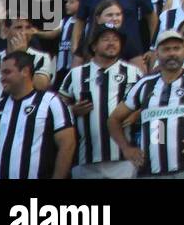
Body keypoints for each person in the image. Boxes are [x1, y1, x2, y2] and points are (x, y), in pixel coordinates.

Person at [108, 30, 184, 179]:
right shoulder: (144, 84)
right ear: (157, 54)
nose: (172, 53)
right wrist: (126, 148)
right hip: (148, 172)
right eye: (166, 49)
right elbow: (113, 119)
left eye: (176, 48)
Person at [58, 24, 144, 179]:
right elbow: (58, 109)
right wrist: (73, 110)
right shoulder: (75, 74)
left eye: (115, 39)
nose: (111, 43)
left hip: (123, 160)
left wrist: (136, 114)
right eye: (106, 39)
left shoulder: (133, 73)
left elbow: (149, 104)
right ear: (94, 46)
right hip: (86, 159)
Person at [0, 50, 75, 180]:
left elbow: (67, 144)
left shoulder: (50, 102)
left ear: (25, 71)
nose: (1, 78)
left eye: (7, 72)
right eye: (1, 73)